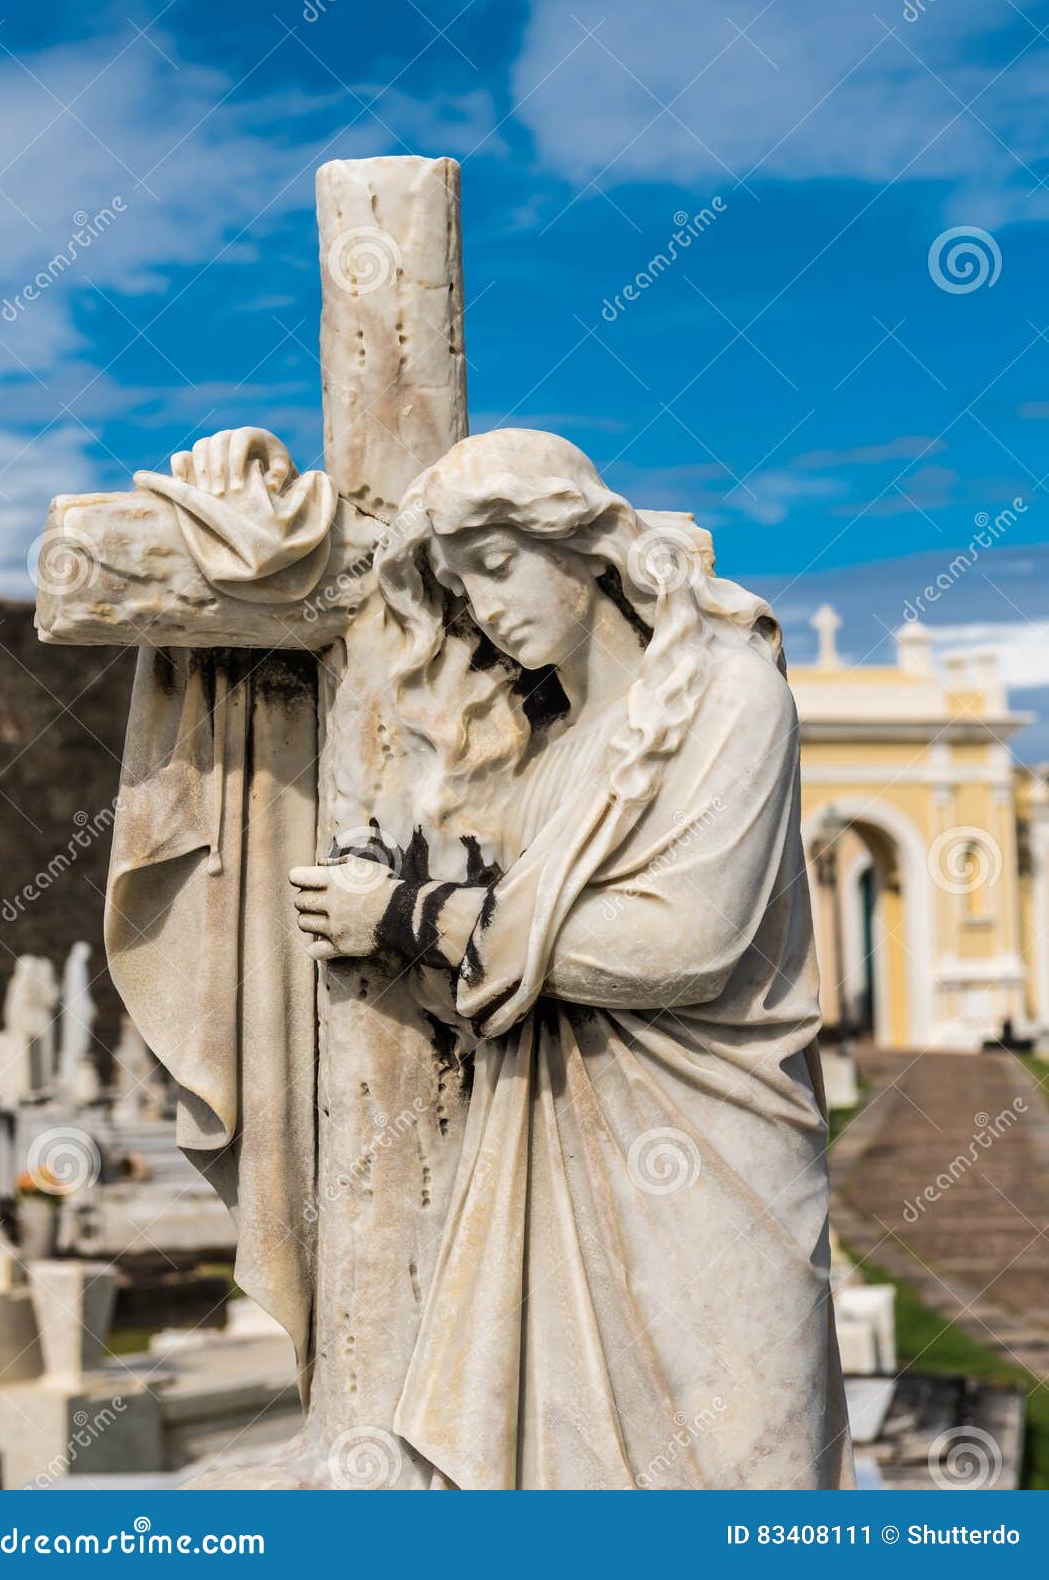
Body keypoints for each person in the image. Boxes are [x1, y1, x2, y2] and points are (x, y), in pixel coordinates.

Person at [289, 428, 854, 1490]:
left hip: (717, 1177)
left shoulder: (728, 699)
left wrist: (415, 912)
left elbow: (682, 945)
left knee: (744, 1480)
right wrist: (387, 923)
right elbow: (514, 981)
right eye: (465, 588)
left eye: (500, 567)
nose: (490, 607)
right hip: (552, 1169)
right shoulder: (539, 757)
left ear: (584, 544)